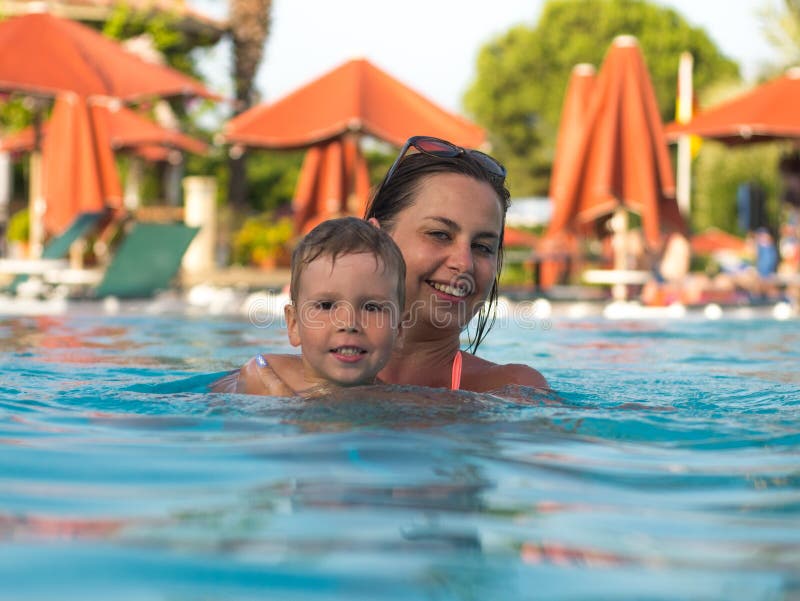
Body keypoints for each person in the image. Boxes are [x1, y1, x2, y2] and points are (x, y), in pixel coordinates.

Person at [364, 135, 548, 392]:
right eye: (440, 234)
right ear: (377, 239)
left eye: (482, 247)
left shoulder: (510, 390)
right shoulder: (294, 381)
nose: (464, 263)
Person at [212, 217, 405, 396]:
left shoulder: (394, 401)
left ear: (399, 330)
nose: (348, 323)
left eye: (371, 308)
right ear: (294, 324)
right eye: (327, 305)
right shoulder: (266, 375)